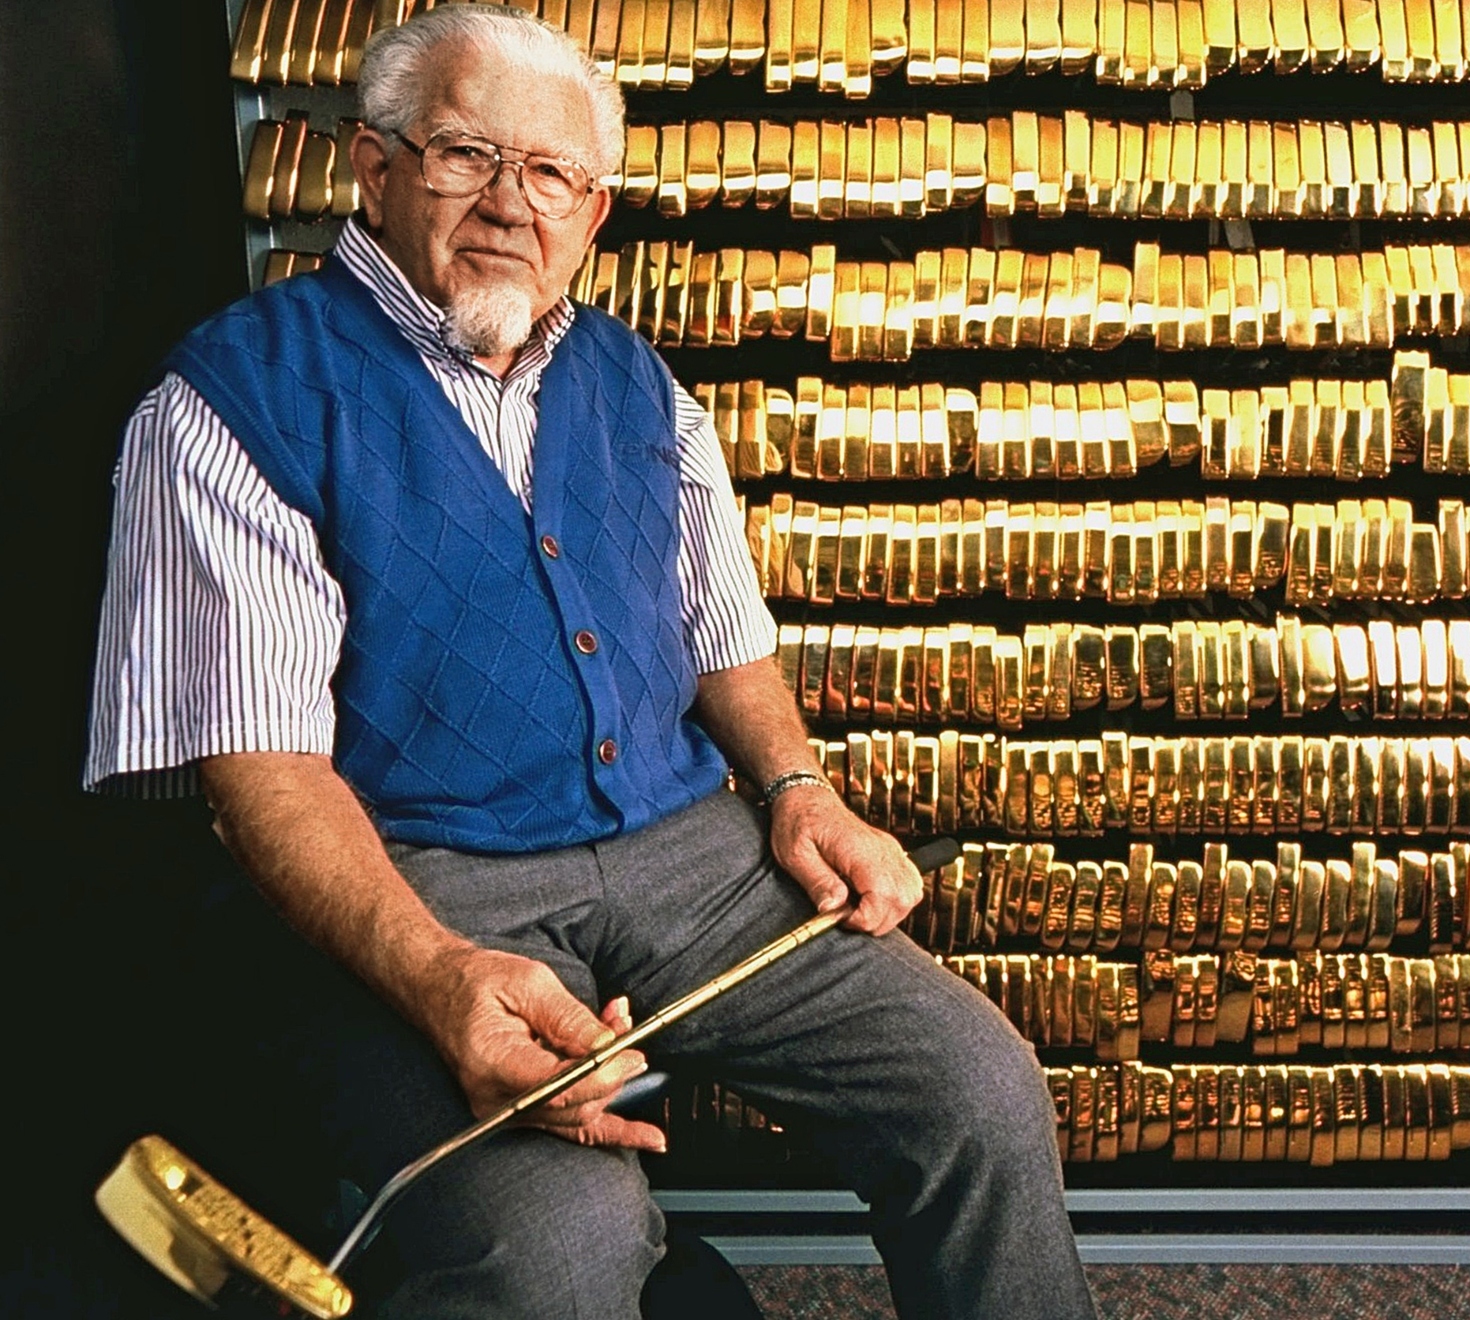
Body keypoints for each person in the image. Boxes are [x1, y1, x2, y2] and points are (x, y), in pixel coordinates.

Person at [84, 7, 1096, 1317]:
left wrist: (798, 790)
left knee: (979, 1088)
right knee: (556, 1243)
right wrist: (442, 974)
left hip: (690, 858)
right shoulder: (231, 404)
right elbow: (260, 778)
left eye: (550, 174)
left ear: (594, 209)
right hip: (422, 881)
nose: (511, 203)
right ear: (373, 169)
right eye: (464, 155)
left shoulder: (637, 384)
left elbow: (724, 640)